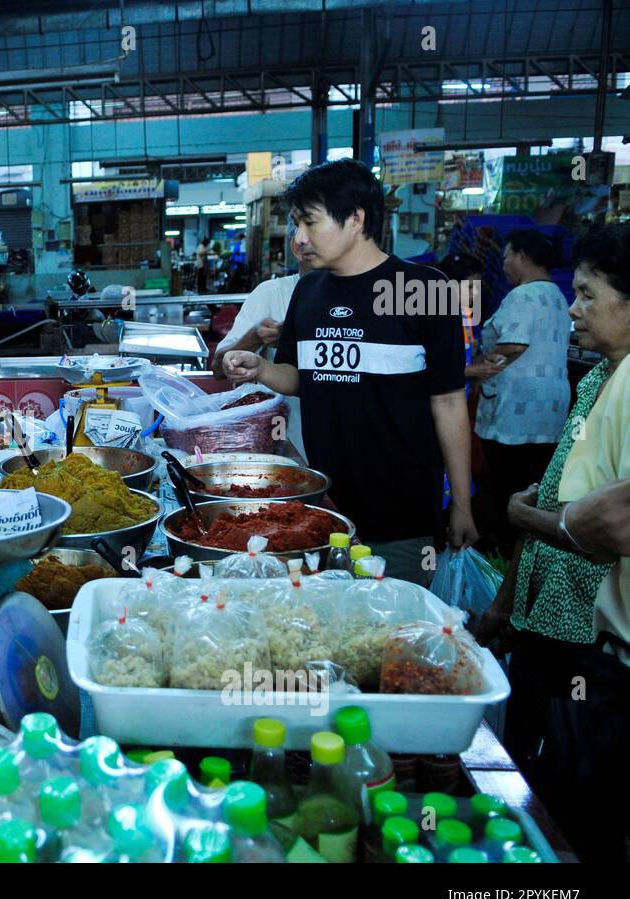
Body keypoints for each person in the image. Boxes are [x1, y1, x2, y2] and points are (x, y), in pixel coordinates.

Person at [222, 159, 478, 584]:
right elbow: (302, 378)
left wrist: (463, 505)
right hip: (324, 506)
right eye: (296, 224)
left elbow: (449, 401)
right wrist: (262, 369)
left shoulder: (422, 290)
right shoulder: (309, 290)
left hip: (401, 515)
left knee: (392, 632)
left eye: (310, 223)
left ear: (356, 219)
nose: (299, 239)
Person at [477, 224, 630, 863]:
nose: (573, 307)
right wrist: (507, 604)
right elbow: (554, 493)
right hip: (555, 621)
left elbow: (615, 525)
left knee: (578, 811)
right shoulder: (599, 378)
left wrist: (527, 519)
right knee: (541, 778)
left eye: (589, 295)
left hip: (595, 646)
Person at [467, 230, 571, 550]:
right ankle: (526, 548)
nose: (505, 266)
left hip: (517, 407)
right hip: (550, 406)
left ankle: (506, 548)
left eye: (507, 258)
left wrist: (478, 368)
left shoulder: (523, 295)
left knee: (506, 482)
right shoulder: (557, 295)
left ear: (523, 257)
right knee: (534, 480)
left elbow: (514, 343)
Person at [212, 226, 317, 458]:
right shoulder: (271, 294)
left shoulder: (363, 297)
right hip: (287, 446)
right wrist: (256, 338)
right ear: (297, 247)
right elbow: (219, 369)